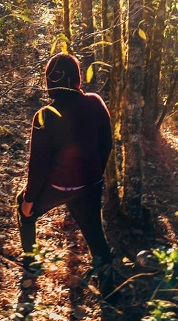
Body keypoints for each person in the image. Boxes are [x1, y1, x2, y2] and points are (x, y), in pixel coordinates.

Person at [16, 53, 113, 275]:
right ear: (77, 78)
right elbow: (106, 144)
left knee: (23, 207)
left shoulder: (44, 116)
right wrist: (96, 175)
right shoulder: (95, 103)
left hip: (58, 187)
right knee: (96, 235)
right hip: (90, 184)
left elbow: (38, 166)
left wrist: (29, 201)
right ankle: (109, 285)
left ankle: (32, 266)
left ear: (50, 82)